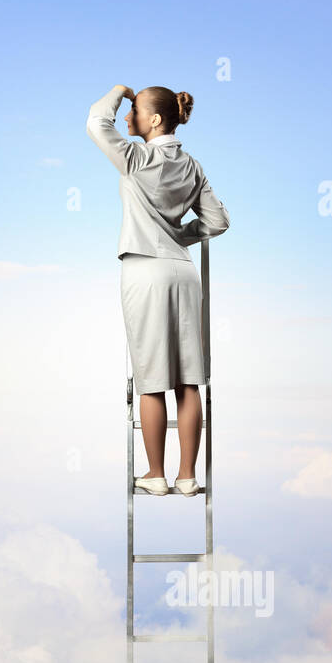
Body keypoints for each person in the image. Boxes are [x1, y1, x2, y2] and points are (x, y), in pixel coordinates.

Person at [86, 84, 231, 496]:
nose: (127, 118)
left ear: (154, 120)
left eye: (134, 112)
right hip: (183, 274)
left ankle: (155, 474)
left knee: (151, 378)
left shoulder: (135, 159)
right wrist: (179, 237)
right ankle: (188, 476)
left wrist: (118, 90)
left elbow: (96, 121)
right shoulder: (192, 166)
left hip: (144, 272)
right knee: (188, 380)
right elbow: (217, 222)